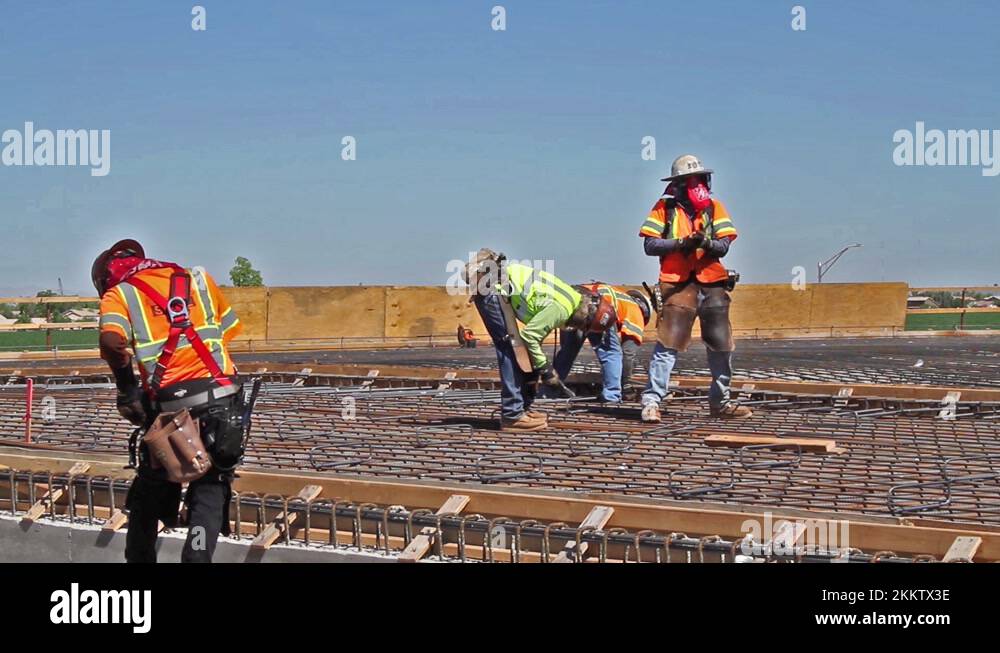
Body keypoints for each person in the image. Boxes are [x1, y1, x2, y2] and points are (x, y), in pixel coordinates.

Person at [93, 238, 246, 562]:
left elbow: (111, 342)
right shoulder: (197, 280)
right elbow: (226, 331)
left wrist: (127, 389)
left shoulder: (120, 293)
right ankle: (197, 557)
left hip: (171, 410)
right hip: (221, 400)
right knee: (210, 485)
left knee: (150, 487)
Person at [637, 155, 753, 422]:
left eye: (699, 179)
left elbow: (724, 245)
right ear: (677, 185)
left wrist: (705, 243)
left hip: (711, 282)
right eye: (691, 180)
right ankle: (652, 401)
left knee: (721, 345)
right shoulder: (664, 209)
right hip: (677, 284)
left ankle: (720, 403)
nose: (697, 184)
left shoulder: (713, 207)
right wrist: (680, 243)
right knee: (668, 344)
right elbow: (650, 245)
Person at [463, 249, 615, 431]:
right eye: (583, 327)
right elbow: (529, 336)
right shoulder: (562, 309)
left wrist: (537, 366)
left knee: (526, 354)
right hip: (493, 288)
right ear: (584, 319)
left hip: (496, 283)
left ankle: (523, 408)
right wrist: (546, 369)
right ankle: (512, 415)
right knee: (510, 349)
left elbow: (533, 340)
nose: (579, 329)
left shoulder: (570, 297)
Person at [552, 283, 652, 402]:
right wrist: (626, 385)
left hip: (573, 302)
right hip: (598, 309)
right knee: (611, 353)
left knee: (566, 353)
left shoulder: (620, 296)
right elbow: (628, 353)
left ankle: (549, 391)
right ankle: (612, 396)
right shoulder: (636, 311)